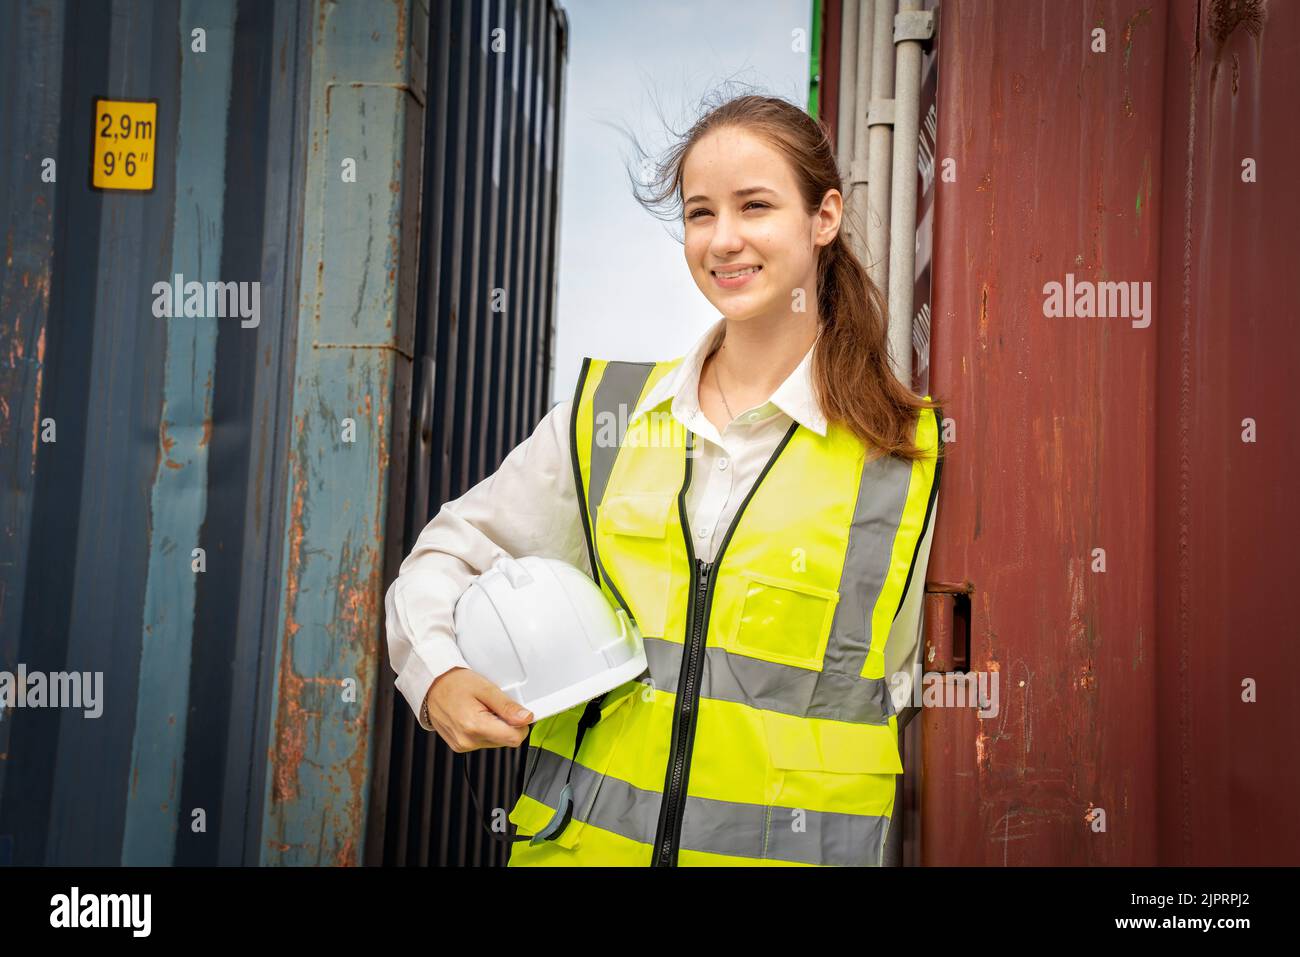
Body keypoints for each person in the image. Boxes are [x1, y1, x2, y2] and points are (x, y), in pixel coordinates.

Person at [384, 92, 944, 866]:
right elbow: (448, 554)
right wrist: (437, 671)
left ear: (824, 218)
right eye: (699, 213)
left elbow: (913, 687)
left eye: (755, 206)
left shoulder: (903, 456)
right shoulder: (605, 416)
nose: (723, 240)